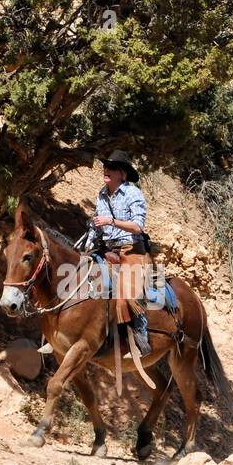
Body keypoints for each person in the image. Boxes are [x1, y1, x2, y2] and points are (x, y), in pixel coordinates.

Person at [86, 151, 151, 354]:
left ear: (122, 174)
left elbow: (138, 226)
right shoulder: (102, 194)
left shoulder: (133, 194)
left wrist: (111, 221)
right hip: (108, 248)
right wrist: (88, 243)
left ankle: (140, 330)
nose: (106, 170)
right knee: (76, 274)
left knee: (128, 291)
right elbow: (98, 224)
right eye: (106, 166)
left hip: (131, 249)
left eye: (112, 167)